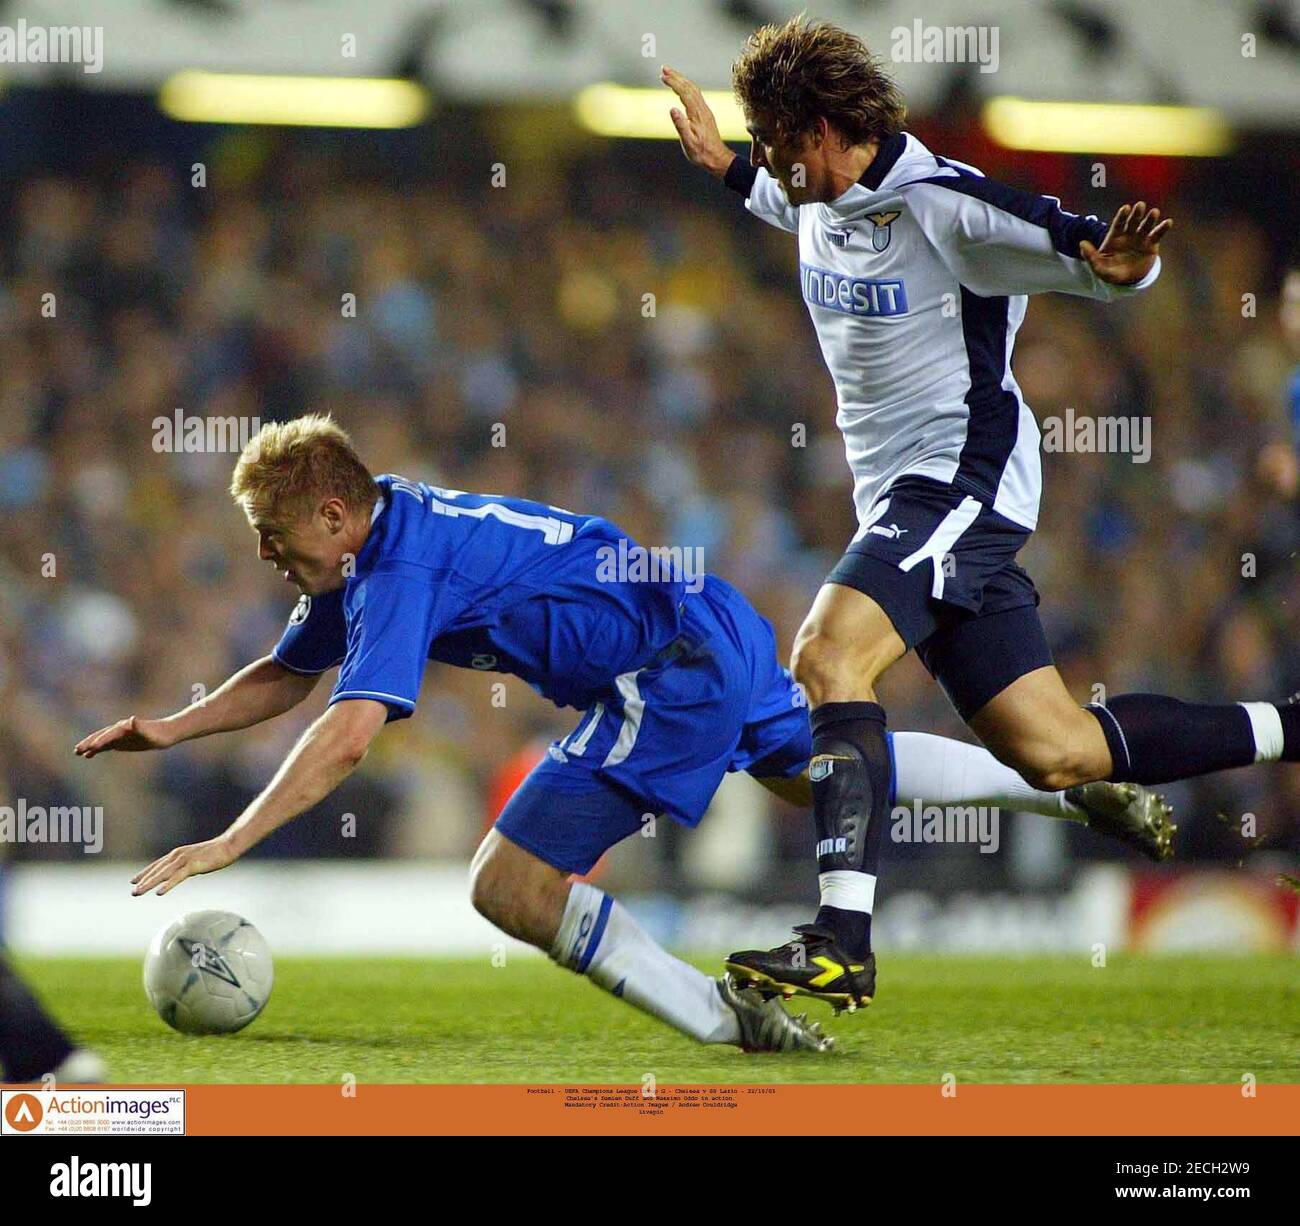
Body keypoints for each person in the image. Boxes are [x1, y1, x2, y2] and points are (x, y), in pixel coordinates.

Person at [77, 415, 1165, 1049]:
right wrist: (174, 728)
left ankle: (729, 1020)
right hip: (702, 619)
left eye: (273, 538)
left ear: (327, 514)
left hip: (662, 669)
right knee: (808, 773)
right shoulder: (381, 529)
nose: (268, 558)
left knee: (506, 882)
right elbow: (288, 672)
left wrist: (230, 840)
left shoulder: (396, 563)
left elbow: (350, 730)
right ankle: (1060, 785)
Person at [663, 17, 1300, 1010]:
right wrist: (724, 166)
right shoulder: (810, 192)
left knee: (826, 656)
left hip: (960, 484)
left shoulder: (942, 204)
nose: (778, 170)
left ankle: (841, 939)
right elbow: (786, 207)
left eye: (785, 150)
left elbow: (1095, 253)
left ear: (831, 131)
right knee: (1057, 749)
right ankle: (1286, 726)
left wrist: (1123, 261)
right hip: (907, 499)